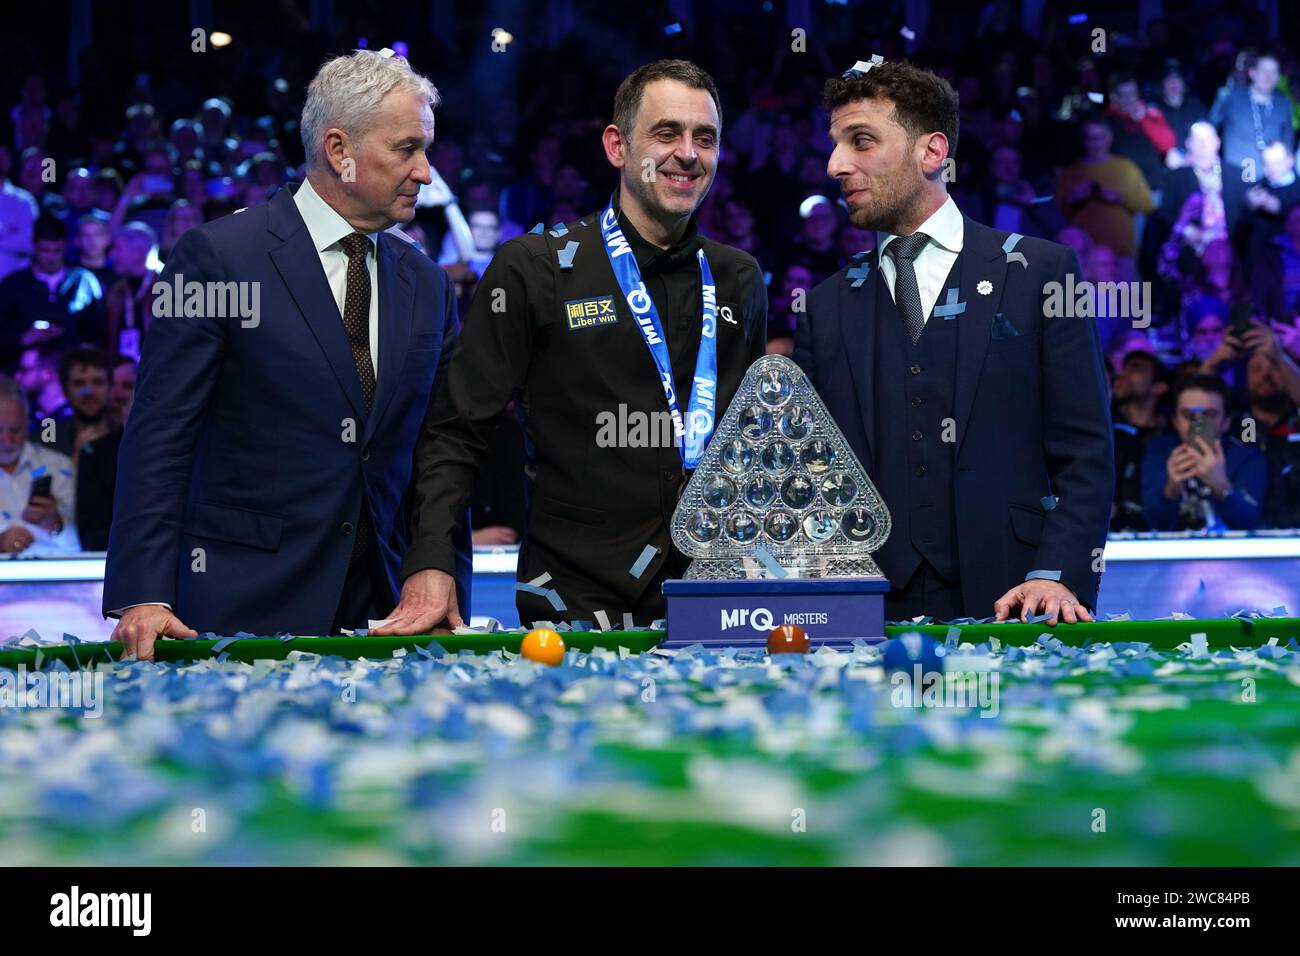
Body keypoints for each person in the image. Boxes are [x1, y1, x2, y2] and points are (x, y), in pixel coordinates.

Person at [103, 49, 471, 659]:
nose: (426, 173)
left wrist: (436, 564)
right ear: (338, 149)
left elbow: (440, 448)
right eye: (407, 149)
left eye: (426, 150)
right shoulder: (217, 258)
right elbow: (161, 434)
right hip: (238, 609)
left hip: (388, 614)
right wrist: (143, 593)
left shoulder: (428, 283)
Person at [378, 59, 767, 633]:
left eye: (704, 138)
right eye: (666, 133)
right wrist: (431, 560)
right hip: (574, 600)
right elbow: (457, 432)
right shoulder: (534, 268)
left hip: (722, 593)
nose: (688, 153)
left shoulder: (739, 278)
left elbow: (752, 442)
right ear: (616, 146)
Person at [795, 60, 1113, 625]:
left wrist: (1059, 573)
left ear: (932, 151)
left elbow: (1085, 451)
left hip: (1018, 602)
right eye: (836, 144)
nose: (835, 165)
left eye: (860, 141)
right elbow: (810, 476)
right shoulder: (824, 307)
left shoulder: (1040, 272)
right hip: (863, 613)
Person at [1142, 373, 1266, 530]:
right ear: (1175, 421)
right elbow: (1153, 523)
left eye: (1209, 415)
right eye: (1189, 415)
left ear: (1226, 422)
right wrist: (1171, 488)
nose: (1198, 423)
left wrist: (1220, 486)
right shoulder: (1160, 451)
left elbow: (1250, 523)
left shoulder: (1248, 458)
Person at [0, 215, 103, 367]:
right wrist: (25, 338)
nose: (51, 257)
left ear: (66, 247)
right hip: (23, 369)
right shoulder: (13, 285)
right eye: (45, 250)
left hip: (74, 368)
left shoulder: (84, 282)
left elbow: (99, 332)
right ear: (34, 247)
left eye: (57, 250)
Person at [1056, 117, 1155, 262]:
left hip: (1121, 253)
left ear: (1110, 137)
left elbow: (1148, 205)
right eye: (1090, 138)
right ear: (1084, 140)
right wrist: (1073, 198)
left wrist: (1121, 198)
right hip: (1084, 256)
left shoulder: (1126, 167)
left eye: (1100, 137)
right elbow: (1055, 215)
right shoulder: (1071, 173)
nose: (1096, 143)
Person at [0, 374, 78, 555]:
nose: (7, 440)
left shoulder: (58, 466)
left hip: (55, 570)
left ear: (27, 425)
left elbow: (79, 545)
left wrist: (55, 524)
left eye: (15, 430)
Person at [1209, 51, 1296, 177]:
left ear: (1278, 77)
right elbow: (1210, 125)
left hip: (1270, 178)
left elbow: (1288, 138)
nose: (1268, 76)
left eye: (1273, 72)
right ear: (1252, 73)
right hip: (1235, 176)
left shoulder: (1284, 104)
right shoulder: (1232, 98)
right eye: (1263, 71)